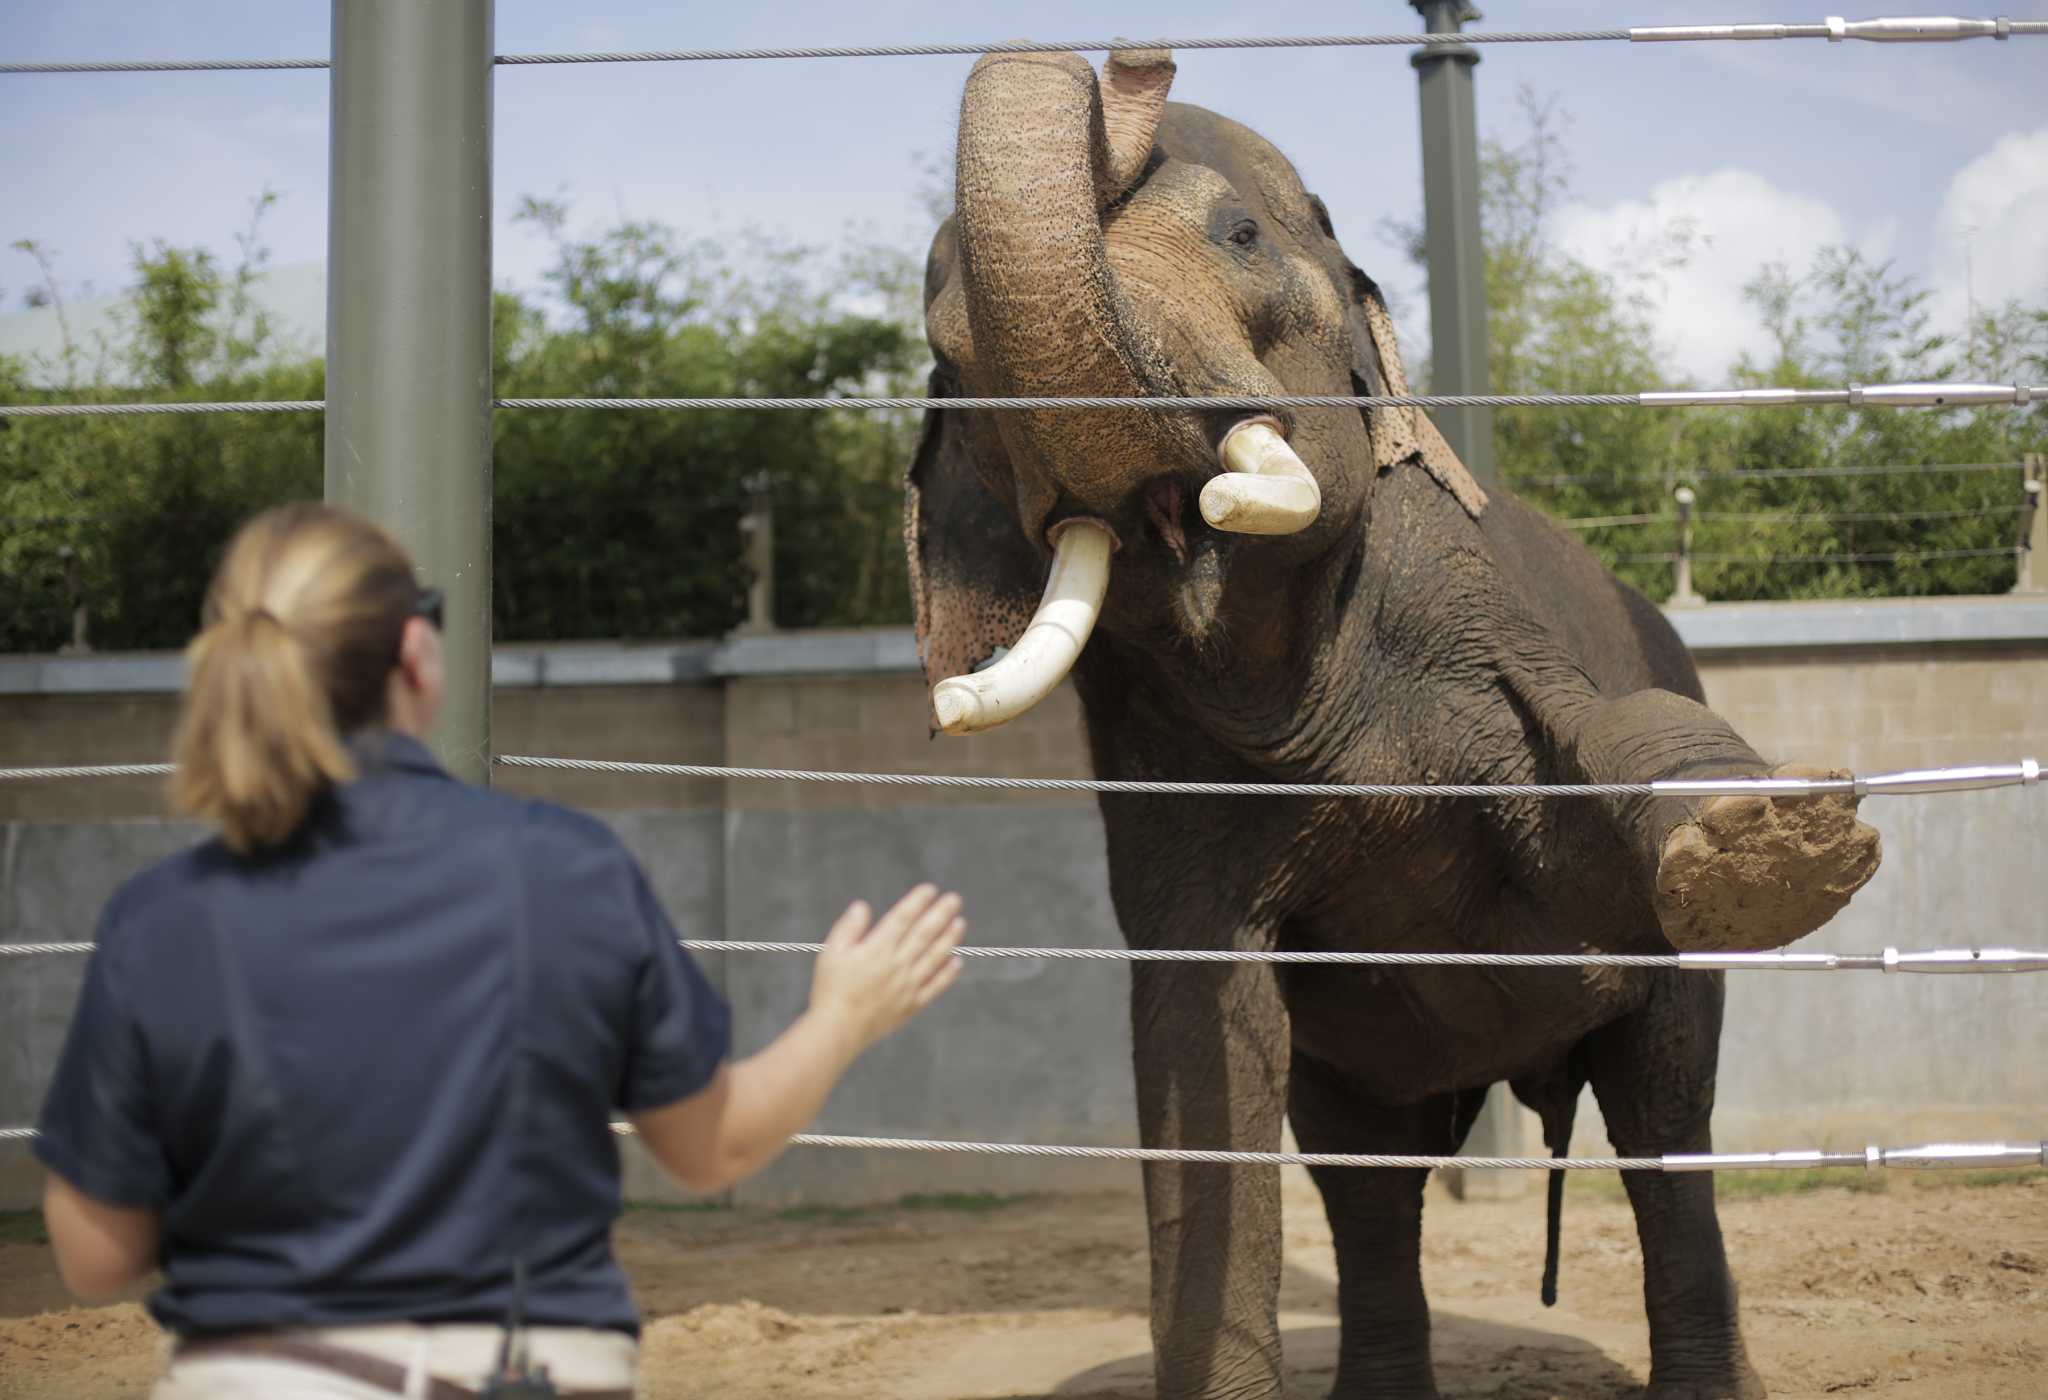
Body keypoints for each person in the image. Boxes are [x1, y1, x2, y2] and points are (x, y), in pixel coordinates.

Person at [32, 503, 965, 1398]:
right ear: (414, 652)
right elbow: (712, 1147)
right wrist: (843, 1017)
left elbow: (93, 1255)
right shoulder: (566, 868)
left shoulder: (160, 919)